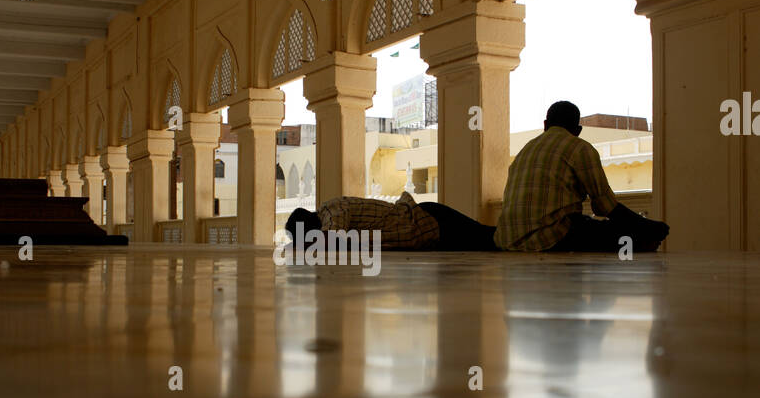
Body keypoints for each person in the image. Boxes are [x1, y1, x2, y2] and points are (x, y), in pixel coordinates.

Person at [494, 100, 668, 253]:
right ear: (578, 130)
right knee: (633, 237)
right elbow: (606, 207)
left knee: (588, 225)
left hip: (507, 239)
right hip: (551, 239)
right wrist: (648, 226)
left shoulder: (526, 149)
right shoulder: (579, 148)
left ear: (545, 124)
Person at [285, 191, 496, 253]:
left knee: (493, 238)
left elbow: (330, 237)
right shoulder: (328, 217)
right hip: (428, 233)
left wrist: (299, 246)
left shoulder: (331, 209)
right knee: (489, 243)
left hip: (428, 218)